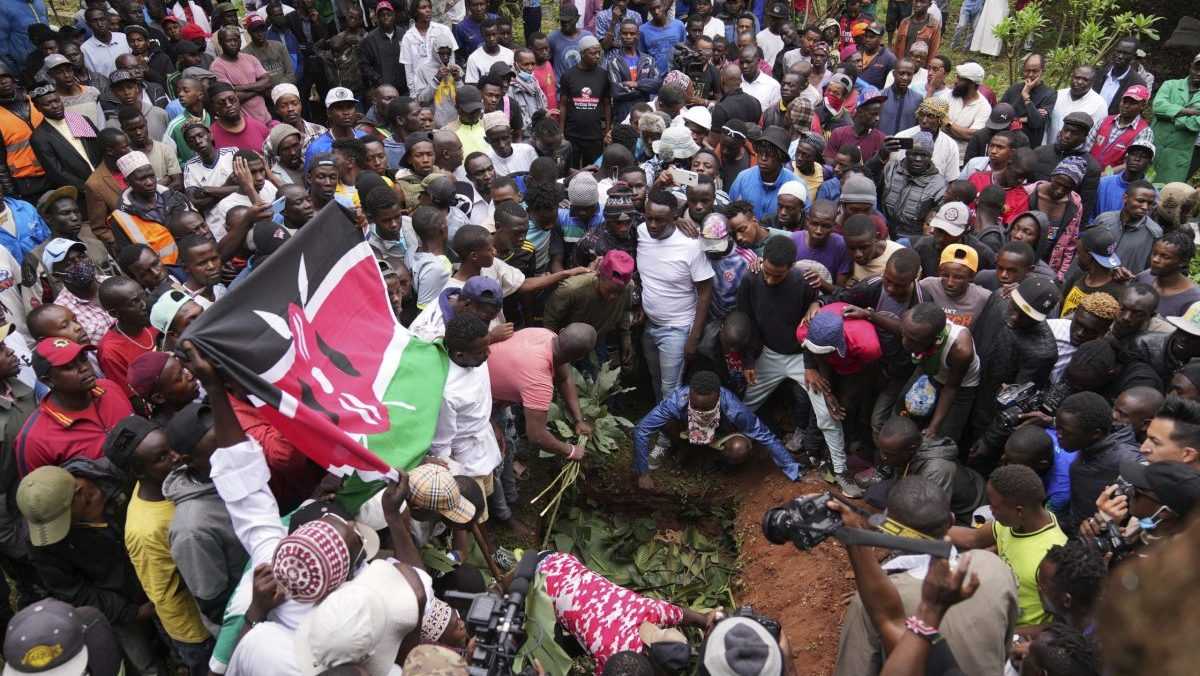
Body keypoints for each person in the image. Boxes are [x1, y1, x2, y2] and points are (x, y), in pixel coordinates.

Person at [832, 476, 1019, 676]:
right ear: (951, 522)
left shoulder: (872, 602)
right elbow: (1004, 648)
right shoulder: (994, 566)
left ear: (888, 529)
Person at [16, 465, 159, 674]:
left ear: (81, 494)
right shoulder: (42, 539)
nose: (57, 529)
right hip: (120, 606)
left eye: (60, 521)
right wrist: (129, 612)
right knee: (144, 663)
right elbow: (73, 591)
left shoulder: (123, 475)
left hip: (164, 585)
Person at [102, 416, 213, 674]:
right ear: (138, 472)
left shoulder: (177, 479)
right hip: (198, 630)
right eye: (162, 457)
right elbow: (163, 593)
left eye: (171, 447)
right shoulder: (145, 529)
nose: (176, 457)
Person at [948, 465, 1066, 628]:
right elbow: (972, 538)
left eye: (994, 506)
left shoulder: (1052, 556)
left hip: (1017, 633)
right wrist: (923, 528)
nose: (990, 510)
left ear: (1019, 511)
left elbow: (1056, 625)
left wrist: (1008, 639)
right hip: (995, 614)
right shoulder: (1012, 523)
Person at [638, 189, 714, 401]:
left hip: (677, 329)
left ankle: (667, 434)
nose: (652, 225)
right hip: (650, 325)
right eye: (649, 218)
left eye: (659, 220)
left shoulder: (691, 245)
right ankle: (662, 424)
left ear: (673, 218)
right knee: (656, 379)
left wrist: (693, 337)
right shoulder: (641, 231)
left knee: (670, 388)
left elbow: (705, 292)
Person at [544, 250, 635, 354]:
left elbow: (625, 310)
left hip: (598, 339)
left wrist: (626, 340)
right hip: (568, 343)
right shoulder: (572, 289)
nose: (613, 297)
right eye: (610, 291)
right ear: (598, 275)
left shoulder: (628, 287)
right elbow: (550, 322)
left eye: (619, 292)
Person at [878, 131, 946, 240]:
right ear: (906, 153)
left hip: (914, 238)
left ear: (930, 157)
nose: (918, 159)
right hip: (885, 231)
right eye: (914, 154)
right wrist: (880, 156)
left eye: (924, 155)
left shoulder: (939, 184)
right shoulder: (891, 169)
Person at [1089, 180, 1161, 275]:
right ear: (1125, 198)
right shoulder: (1104, 220)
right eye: (1140, 201)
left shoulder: (1154, 233)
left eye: (1150, 203)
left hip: (1125, 286)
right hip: (1093, 279)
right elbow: (1088, 251)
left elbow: (1149, 270)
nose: (1145, 207)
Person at [559, 36, 611, 169]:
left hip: (595, 135)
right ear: (582, 54)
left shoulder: (603, 75)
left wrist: (607, 130)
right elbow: (563, 104)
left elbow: (606, 104)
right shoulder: (568, 76)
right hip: (573, 134)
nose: (597, 56)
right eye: (593, 53)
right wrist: (561, 131)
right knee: (571, 170)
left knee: (594, 170)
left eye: (599, 53)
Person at [1150, 53, 1200, 184]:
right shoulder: (1170, 85)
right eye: (1197, 68)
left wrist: (1171, 115)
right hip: (1152, 149)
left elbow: (1196, 123)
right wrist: (1189, 111)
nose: (1199, 73)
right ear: (1191, 67)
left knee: (1166, 196)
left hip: (1177, 159)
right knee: (1137, 190)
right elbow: (1158, 107)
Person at [728, 126, 797, 220]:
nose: (763, 158)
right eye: (760, 153)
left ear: (781, 158)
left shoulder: (795, 185)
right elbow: (730, 212)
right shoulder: (743, 178)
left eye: (770, 155)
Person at [1135, 231, 1200, 318]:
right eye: (1154, 253)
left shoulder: (1194, 300)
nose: (1155, 260)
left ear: (1183, 262)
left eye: (1165, 257)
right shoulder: (1143, 277)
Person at [1090, 84, 1153, 172]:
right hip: (1087, 172)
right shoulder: (1104, 120)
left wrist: (1104, 176)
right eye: (1124, 101)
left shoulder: (1144, 132)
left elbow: (1132, 164)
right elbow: (1086, 147)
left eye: (1132, 103)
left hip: (1113, 181)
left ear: (1142, 105)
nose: (1126, 105)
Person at [1000, 53, 1056, 150]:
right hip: (1005, 143)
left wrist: (1026, 95)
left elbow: (1036, 122)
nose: (1030, 75)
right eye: (1027, 71)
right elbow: (1000, 114)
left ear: (1042, 71)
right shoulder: (1014, 89)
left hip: (1029, 146)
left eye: (1035, 71)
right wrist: (1026, 118)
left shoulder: (1049, 94)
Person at [944, 62, 991, 162]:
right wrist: (962, 132)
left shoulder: (984, 107)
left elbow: (973, 136)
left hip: (959, 159)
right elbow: (936, 120)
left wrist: (948, 123)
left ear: (972, 84)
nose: (955, 81)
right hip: (938, 150)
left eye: (960, 79)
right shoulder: (948, 95)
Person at [207, 82, 271, 153]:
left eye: (232, 99)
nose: (228, 105)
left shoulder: (259, 127)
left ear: (238, 100)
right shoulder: (210, 135)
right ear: (213, 107)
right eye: (221, 103)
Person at [1095, 140, 1154, 215]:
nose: (1137, 159)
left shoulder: (1151, 193)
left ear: (1150, 164)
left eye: (1143, 157)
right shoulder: (1103, 183)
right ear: (1126, 158)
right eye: (1133, 154)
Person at [359, 0, 405, 95]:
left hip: (405, 88)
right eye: (382, 15)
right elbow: (364, 66)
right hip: (385, 91)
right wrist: (378, 80)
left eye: (388, 14)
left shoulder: (404, 33)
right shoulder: (370, 39)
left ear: (394, 15)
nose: (385, 17)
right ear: (377, 18)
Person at [1092, 36, 1147, 113]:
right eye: (1118, 51)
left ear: (1133, 57)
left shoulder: (1137, 84)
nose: (1120, 56)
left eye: (1126, 53)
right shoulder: (1098, 73)